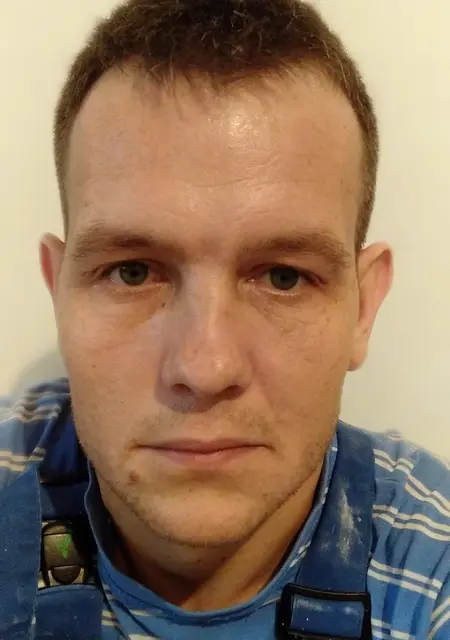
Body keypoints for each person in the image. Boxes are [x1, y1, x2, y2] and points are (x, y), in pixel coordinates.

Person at [1, 0, 449, 638]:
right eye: (133, 272)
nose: (205, 368)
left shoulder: (432, 564)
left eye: (284, 277)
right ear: (59, 292)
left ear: (363, 307)